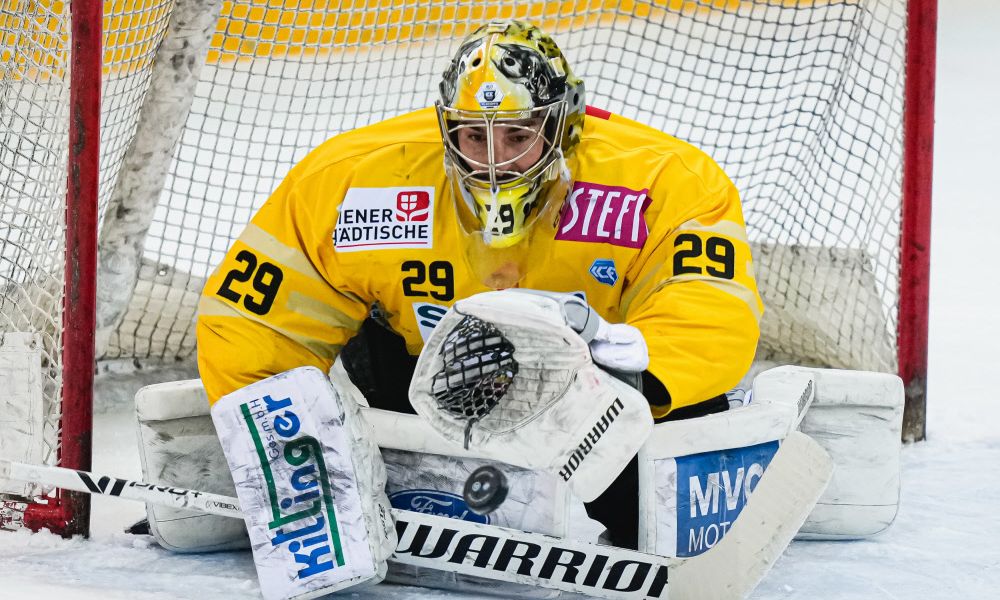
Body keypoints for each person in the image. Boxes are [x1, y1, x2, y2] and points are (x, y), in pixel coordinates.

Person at [196, 19, 762, 550]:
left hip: (598, 406)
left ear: (563, 125)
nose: (496, 163)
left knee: (660, 527)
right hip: (434, 398)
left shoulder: (663, 178)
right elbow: (255, 319)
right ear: (447, 127)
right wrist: (278, 452)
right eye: (474, 137)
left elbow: (711, 303)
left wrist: (648, 366)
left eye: (517, 136)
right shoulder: (353, 180)